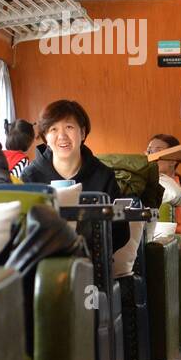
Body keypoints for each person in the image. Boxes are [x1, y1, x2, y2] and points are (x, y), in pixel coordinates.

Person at [21, 99, 127, 249]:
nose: (62, 135)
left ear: (82, 133)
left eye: (69, 127)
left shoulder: (104, 175)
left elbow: (121, 231)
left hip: (93, 261)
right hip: (44, 261)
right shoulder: (30, 177)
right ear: (46, 138)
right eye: (53, 129)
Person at [145, 133, 181, 231]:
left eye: (158, 151)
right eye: (149, 151)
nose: (151, 156)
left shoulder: (172, 191)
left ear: (173, 160)